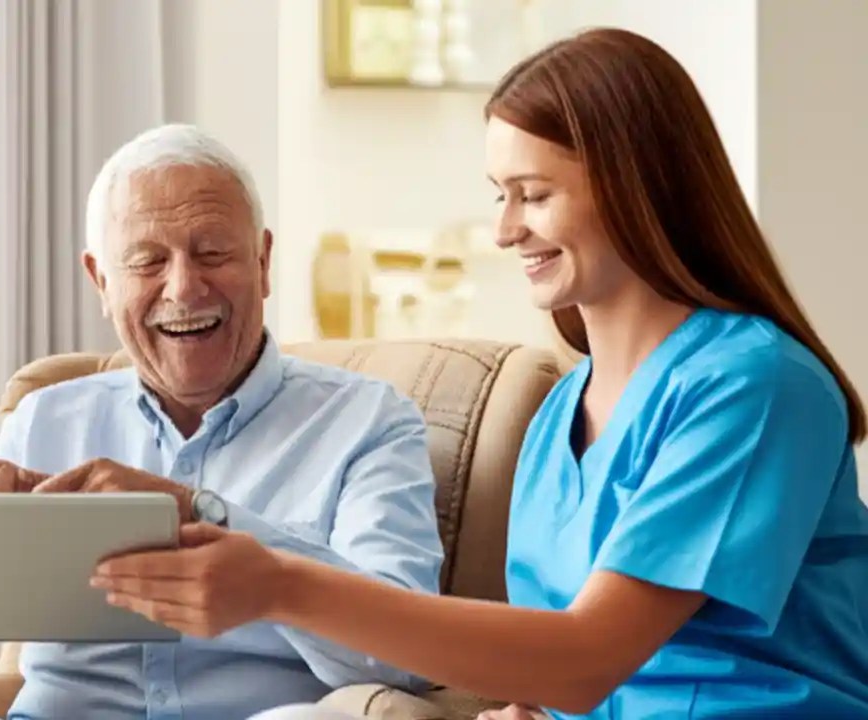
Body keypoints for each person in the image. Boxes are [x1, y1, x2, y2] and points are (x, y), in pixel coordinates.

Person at [90, 28, 868, 720]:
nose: (503, 230)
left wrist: (282, 586)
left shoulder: (756, 388)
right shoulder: (563, 410)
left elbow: (589, 657)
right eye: (499, 196)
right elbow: (553, 665)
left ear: (639, 186)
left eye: (532, 196)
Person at [0, 124, 445, 720]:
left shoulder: (369, 422)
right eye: (146, 262)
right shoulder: (48, 419)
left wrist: (203, 515)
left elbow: (409, 653)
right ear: (100, 281)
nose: (185, 288)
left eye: (213, 252)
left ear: (263, 262)